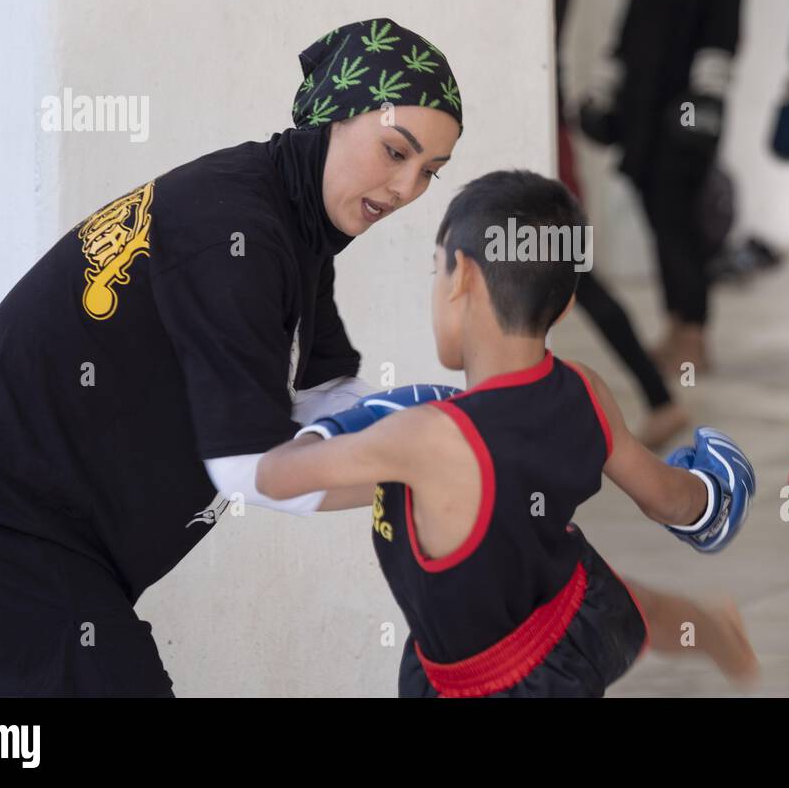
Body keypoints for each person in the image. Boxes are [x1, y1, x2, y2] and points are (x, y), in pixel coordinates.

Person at [0, 18, 464, 697]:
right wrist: (436, 472)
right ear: (333, 115)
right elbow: (251, 470)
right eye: (395, 151)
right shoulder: (237, 234)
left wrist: (464, 421)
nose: (406, 189)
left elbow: (324, 395)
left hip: (50, 525)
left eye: (429, 171)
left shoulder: (291, 220)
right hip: (7, 525)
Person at [257, 170, 759, 697]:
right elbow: (664, 501)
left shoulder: (421, 437)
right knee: (633, 606)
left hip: (480, 683)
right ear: (566, 305)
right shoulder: (584, 390)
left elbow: (273, 475)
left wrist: (345, 425)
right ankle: (710, 629)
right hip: (565, 616)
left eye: (436, 269)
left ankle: (708, 627)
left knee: (628, 604)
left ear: (462, 278)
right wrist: (709, 497)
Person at [582, 0, 743, 377]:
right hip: (643, 112)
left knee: (681, 221)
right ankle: (676, 325)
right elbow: (629, 26)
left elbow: (724, 31)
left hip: (685, 115)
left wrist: (700, 108)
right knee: (658, 217)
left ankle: (696, 335)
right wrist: (606, 90)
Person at [554, 0, 689, 448]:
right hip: (543, 134)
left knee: (574, 276)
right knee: (566, 279)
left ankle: (659, 397)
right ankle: (658, 397)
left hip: (542, 142)